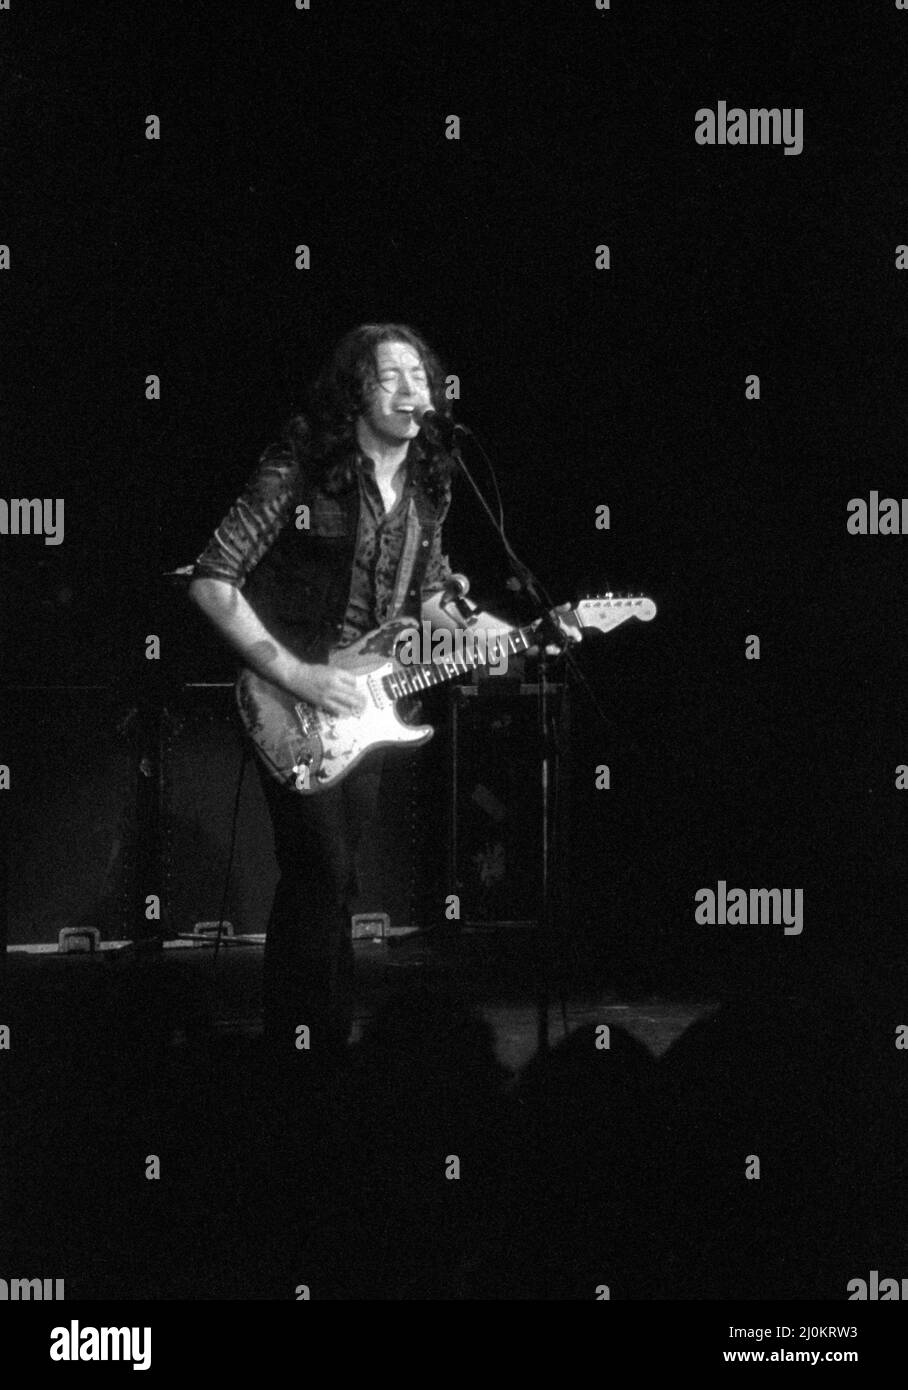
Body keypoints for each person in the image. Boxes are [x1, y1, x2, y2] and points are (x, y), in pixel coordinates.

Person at [188, 323, 510, 1056]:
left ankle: (317, 1045)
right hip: (286, 695)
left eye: (419, 378)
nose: (409, 391)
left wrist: (493, 629)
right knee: (321, 870)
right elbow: (213, 578)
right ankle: (306, 1051)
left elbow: (427, 595)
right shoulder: (303, 464)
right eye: (389, 377)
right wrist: (298, 674)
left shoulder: (433, 481)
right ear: (354, 394)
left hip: (367, 704)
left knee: (332, 882)